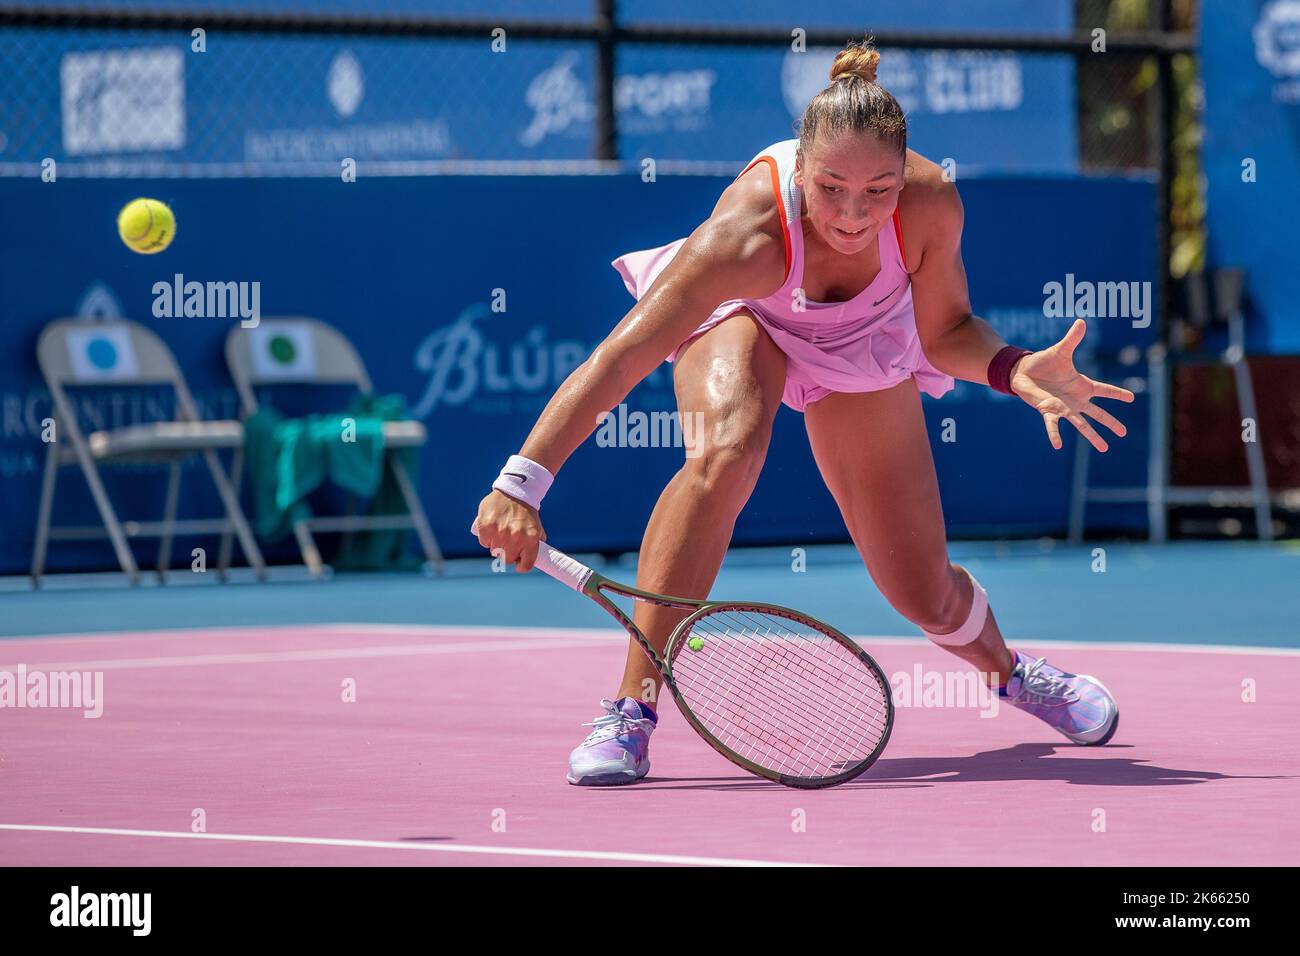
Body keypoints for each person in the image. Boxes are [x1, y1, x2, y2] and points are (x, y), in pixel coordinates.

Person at [472, 40, 1132, 786]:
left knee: (921, 590)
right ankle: (632, 706)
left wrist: (1014, 369)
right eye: (830, 187)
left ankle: (1011, 674)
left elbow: (946, 333)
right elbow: (620, 358)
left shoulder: (930, 207)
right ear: (801, 171)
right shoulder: (745, 238)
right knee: (725, 452)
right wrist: (519, 484)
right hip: (744, 315)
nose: (853, 214)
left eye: (878, 191)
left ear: (904, 181)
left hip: (861, 343)